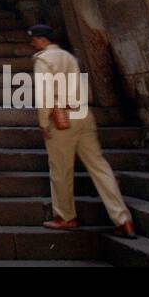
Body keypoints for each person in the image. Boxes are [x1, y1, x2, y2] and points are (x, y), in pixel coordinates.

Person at [29, 24, 136, 239]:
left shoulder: (43, 60)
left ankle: (65, 216)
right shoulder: (68, 57)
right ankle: (123, 219)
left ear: (41, 40)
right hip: (83, 114)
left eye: (33, 39)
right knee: (99, 166)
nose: (32, 43)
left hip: (61, 118)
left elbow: (45, 92)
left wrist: (42, 122)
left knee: (61, 169)